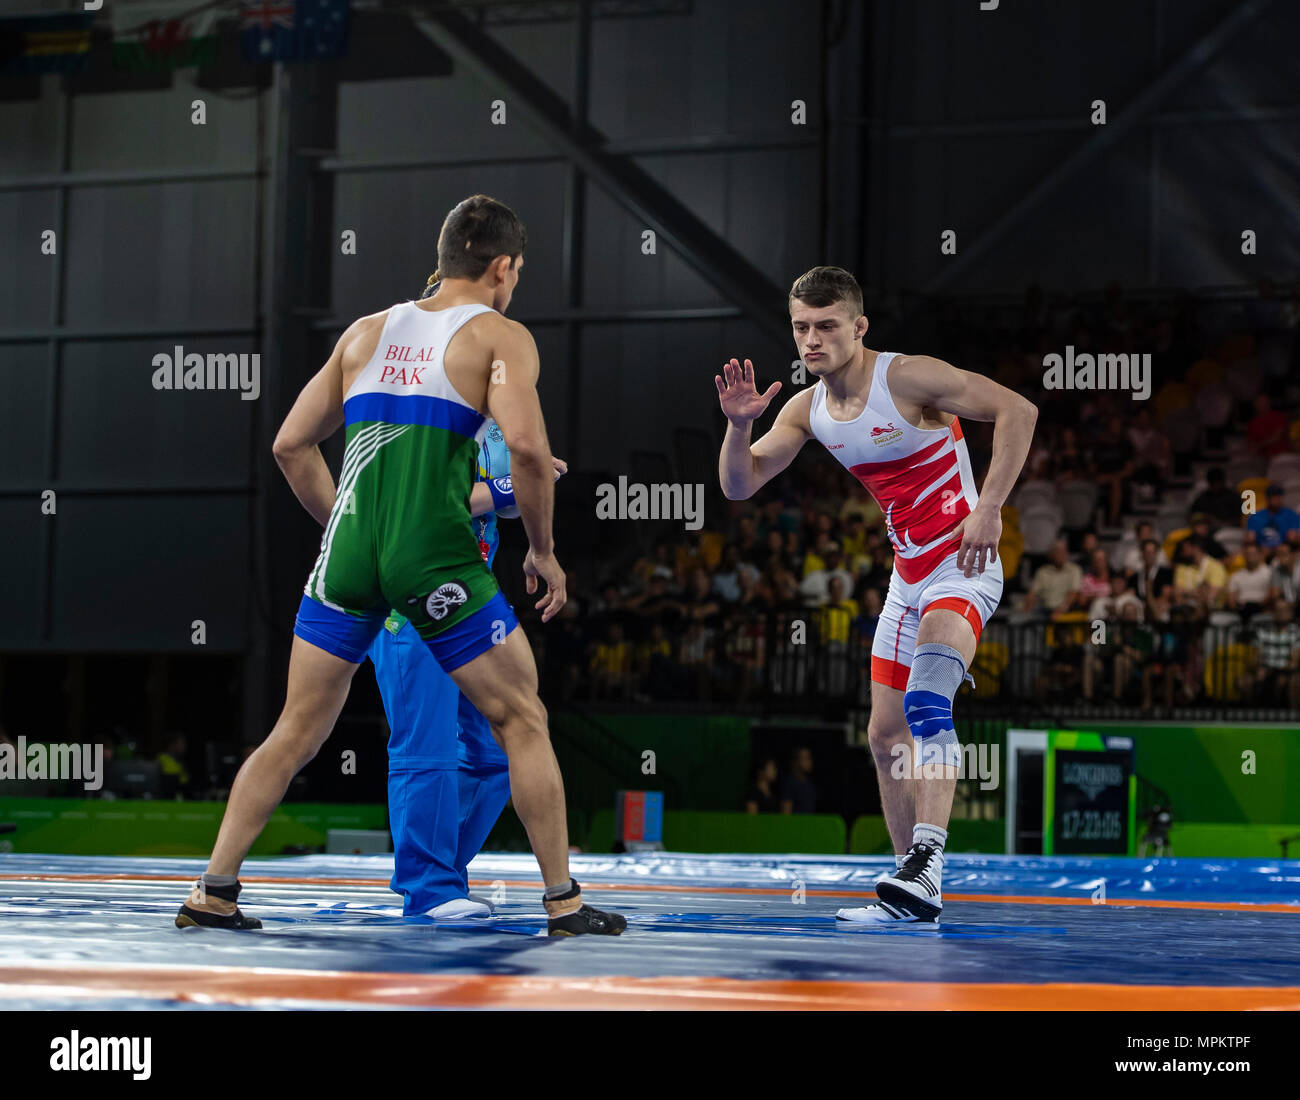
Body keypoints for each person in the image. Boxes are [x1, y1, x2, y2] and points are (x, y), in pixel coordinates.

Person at [175, 195, 624, 936]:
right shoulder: (498, 335)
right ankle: (564, 905)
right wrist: (542, 552)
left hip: (348, 558)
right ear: (503, 266)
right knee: (522, 719)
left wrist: (347, 532)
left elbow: (291, 446)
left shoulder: (364, 332)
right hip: (433, 555)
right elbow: (530, 454)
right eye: (516, 272)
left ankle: (213, 892)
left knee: (294, 729)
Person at [716, 265, 1037, 923]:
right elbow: (739, 485)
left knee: (926, 700)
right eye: (802, 326)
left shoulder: (908, 377)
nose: (813, 338)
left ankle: (928, 860)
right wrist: (738, 426)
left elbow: (1018, 409)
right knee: (885, 733)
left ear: (858, 327)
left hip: (963, 562)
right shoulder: (806, 408)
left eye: (827, 325)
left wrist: (992, 507)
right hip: (908, 577)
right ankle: (912, 891)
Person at [369, 395, 567, 919]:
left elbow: (500, 502)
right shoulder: (414, 416)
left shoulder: (502, 424)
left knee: (498, 750)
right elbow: (428, 500)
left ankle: (442, 876)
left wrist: (530, 492)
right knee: (425, 744)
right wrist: (514, 483)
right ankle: (426, 887)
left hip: (469, 597)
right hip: (408, 596)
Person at [1246, 484, 1300, 550]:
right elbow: (1250, 538)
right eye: (1273, 497)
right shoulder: (1256, 517)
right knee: (1250, 551)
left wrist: (1295, 537)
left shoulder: (1291, 515)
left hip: (1284, 550)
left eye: (1278, 496)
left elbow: (1293, 537)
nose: (1275, 499)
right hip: (1261, 550)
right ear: (1267, 498)